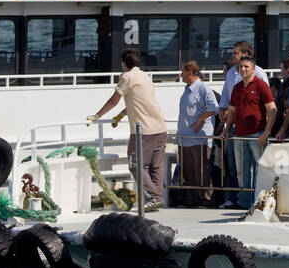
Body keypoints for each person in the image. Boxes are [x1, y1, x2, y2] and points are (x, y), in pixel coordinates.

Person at [88, 48, 167, 212]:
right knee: (155, 166)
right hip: (160, 127)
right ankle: (155, 199)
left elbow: (114, 100)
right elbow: (139, 101)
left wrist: (97, 115)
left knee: (135, 164)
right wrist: (121, 115)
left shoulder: (127, 77)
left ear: (124, 63)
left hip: (144, 130)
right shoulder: (145, 76)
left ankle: (154, 198)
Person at [222, 55, 277, 208]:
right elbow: (232, 111)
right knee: (242, 171)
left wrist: (266, 132)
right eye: (241, 67)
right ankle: (244, 202)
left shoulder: (261, 86)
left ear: (253, 69)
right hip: (239, 135)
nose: (243, 69)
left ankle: (260, 201)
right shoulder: (237, 88)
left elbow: (272, 110)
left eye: (246, 67)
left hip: (256, 135)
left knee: (260, 170)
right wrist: (227, 130)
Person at [176, 60, 218, 206]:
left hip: (199, 138)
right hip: (184, 138)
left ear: (191, 72)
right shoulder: (186, 89)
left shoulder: (203, 88)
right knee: (188, 172)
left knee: (202, 171)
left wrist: (200, 119)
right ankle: (192, 200)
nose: (181, 74)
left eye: (183, 71)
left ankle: (207, 199)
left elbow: (214, 107)